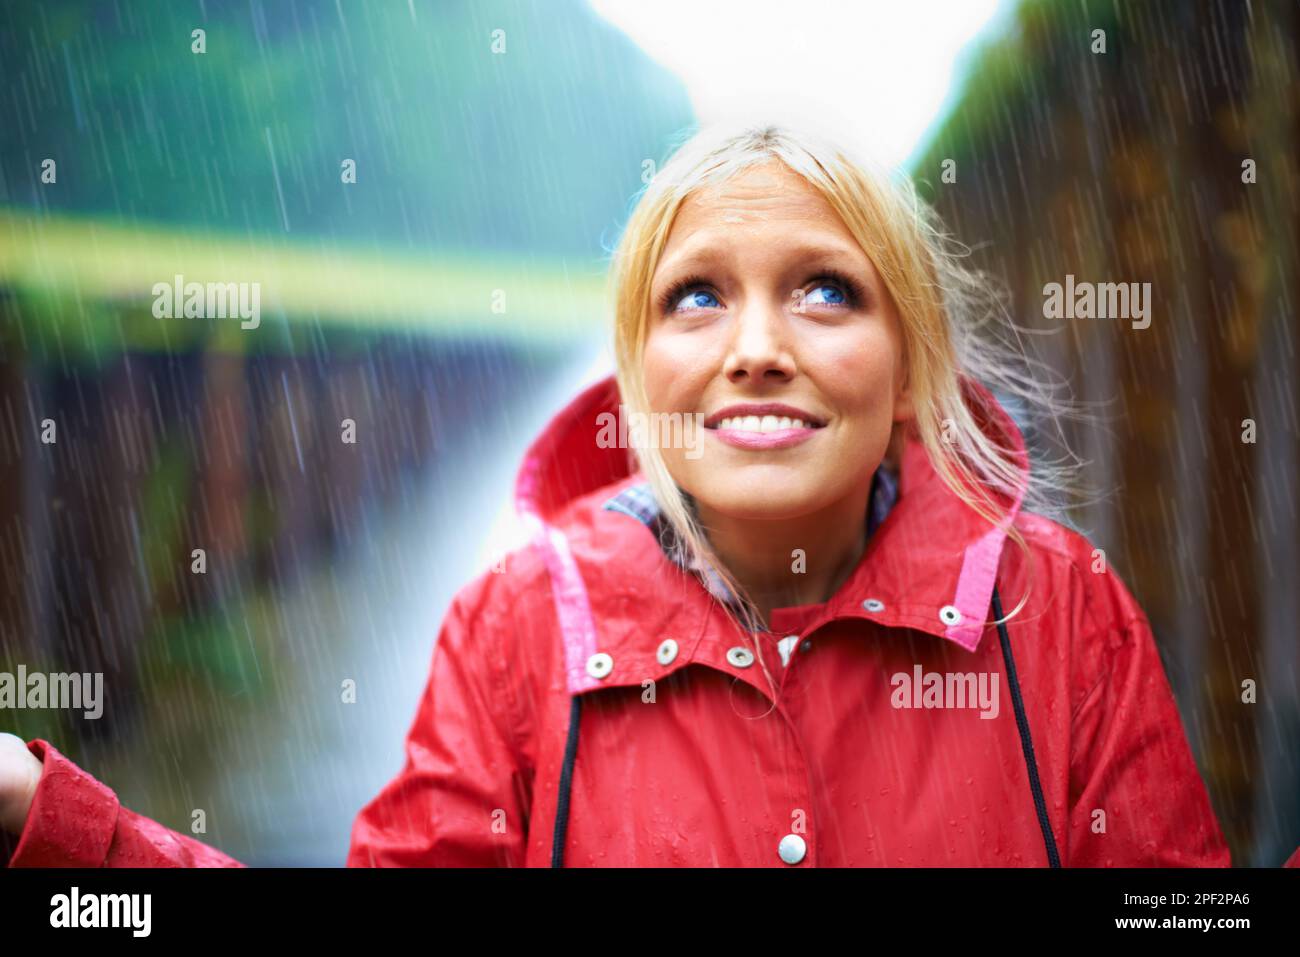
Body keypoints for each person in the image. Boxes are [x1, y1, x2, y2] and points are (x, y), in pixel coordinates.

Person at [1, 122, 1236, 867]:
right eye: (694, 295)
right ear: (637, 375)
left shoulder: (1061, 614)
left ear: (911, 368)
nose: (755, 344)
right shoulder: (516, 631)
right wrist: (41, 820)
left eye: (825, 289)